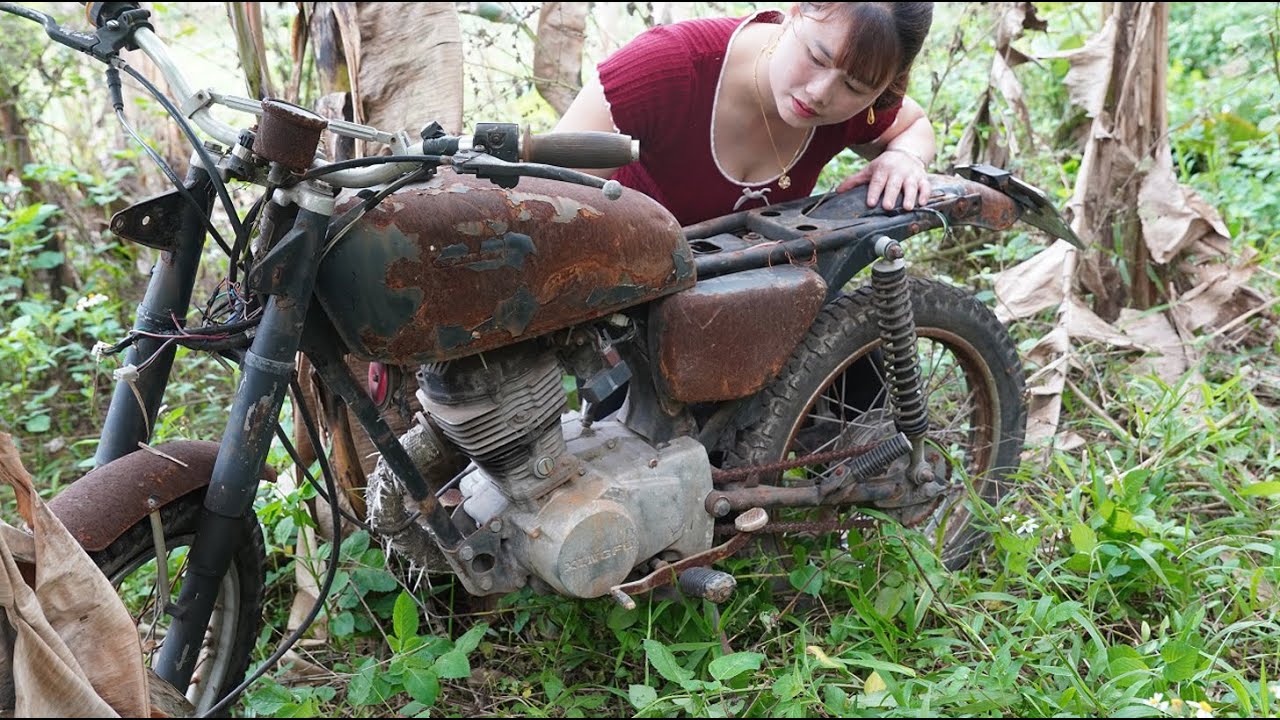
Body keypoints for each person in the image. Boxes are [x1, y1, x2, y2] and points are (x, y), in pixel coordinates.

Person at [555, 2, 937, 227]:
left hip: (743, 307)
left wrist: (905, 157)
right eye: (817, 57)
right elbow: (539, 192)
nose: (820, 93)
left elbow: (913, 126)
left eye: (855, 87)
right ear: (796, 12)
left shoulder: (861, 111)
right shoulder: (666, 69)